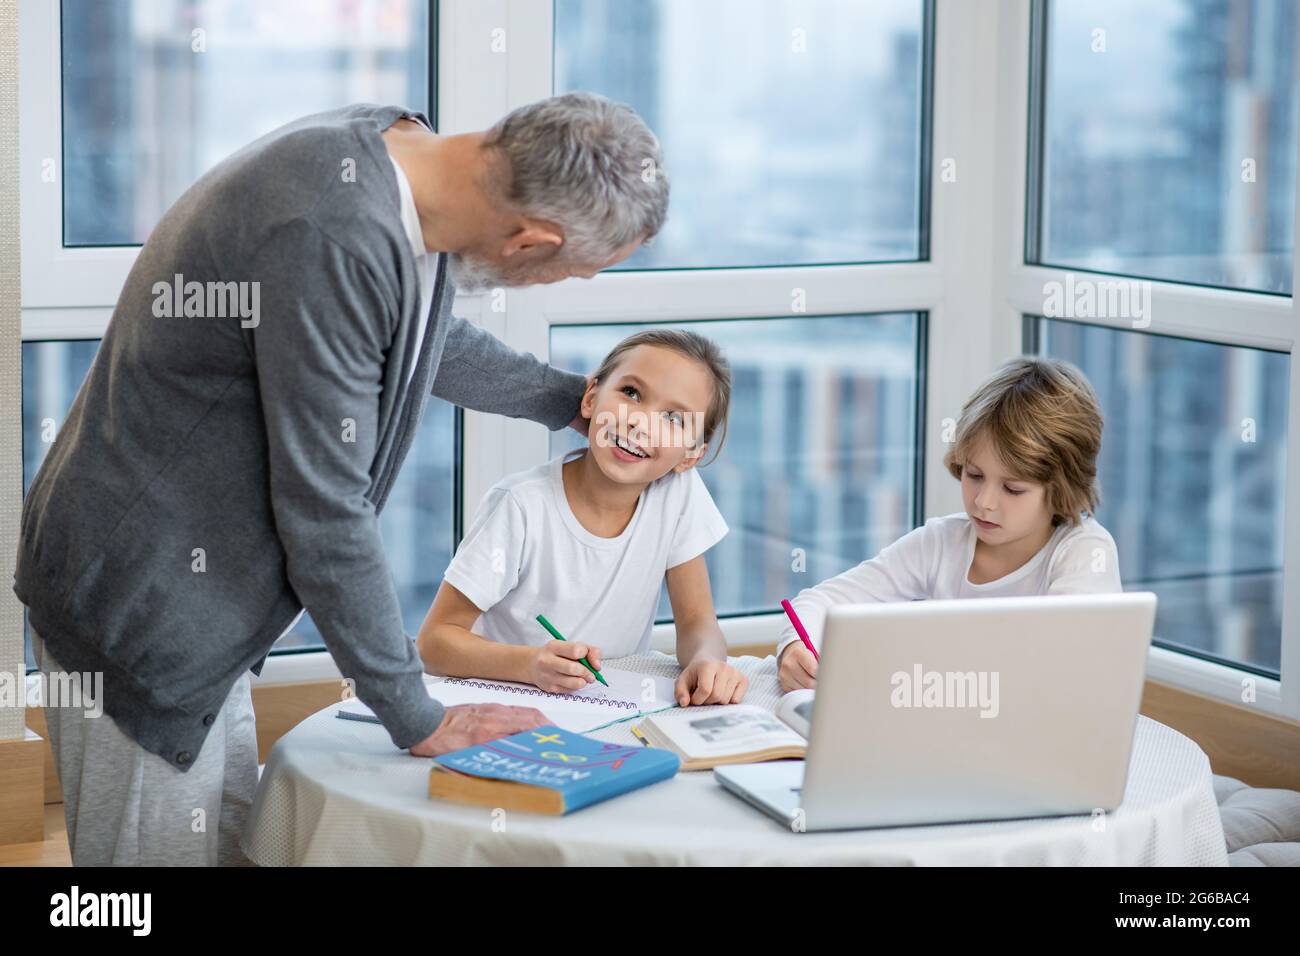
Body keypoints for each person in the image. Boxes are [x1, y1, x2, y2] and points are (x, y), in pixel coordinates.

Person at [16, 92, 670, 865]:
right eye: (578, 271)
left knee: (226, 845)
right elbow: (326, 517)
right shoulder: (330, 232)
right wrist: (415, 714)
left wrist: (580, 407)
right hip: (140, 601)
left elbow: (427, 337)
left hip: (201, 600)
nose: (570, 283)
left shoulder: (404, 161)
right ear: (531, 241)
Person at [419, 329, 748, 708]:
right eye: (631, 393)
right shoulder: (521, 505)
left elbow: (696, 621)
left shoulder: (677, 493)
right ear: (591, 398)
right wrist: (530, 664)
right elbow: (434, 643)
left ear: (690, 456)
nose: (639, 423)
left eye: (673, 417)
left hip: (603, 704)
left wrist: (707, 661)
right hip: (503, 703)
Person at [778, 357, 1122, 692]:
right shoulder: (941, 543)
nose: (983, 502)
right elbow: (819, 603)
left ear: (1061, 488)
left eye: (1012, 488)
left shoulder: (1083, 553)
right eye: (974, 475)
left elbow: (1064, 666)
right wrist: (795, 649)